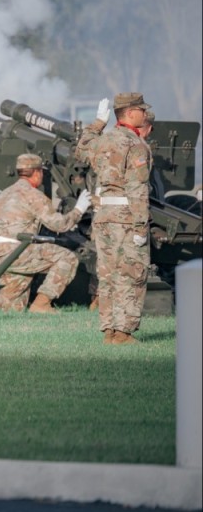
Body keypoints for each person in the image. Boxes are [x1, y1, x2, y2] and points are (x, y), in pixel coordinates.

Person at [0, 153, 92, 313]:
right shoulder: (34, 195)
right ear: (36, 172)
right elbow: (60, 225)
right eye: (41, 171)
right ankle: (41, 304)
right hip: (16, 252)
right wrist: (79, 209)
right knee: (67, 258)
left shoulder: (4, 194)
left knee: (11, 306)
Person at [90, 92, 152, 344]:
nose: (145, 114)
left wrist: (97, 123)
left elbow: (81, 150)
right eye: (142, 110)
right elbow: (138, 188)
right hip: (127, 218)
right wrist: (141, 227)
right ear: (130, 113)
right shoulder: (136, 145)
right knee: (132, 273)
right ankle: (123, 333)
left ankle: (109, 331)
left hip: (104, 217)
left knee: (108, 276)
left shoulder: (102, 140)